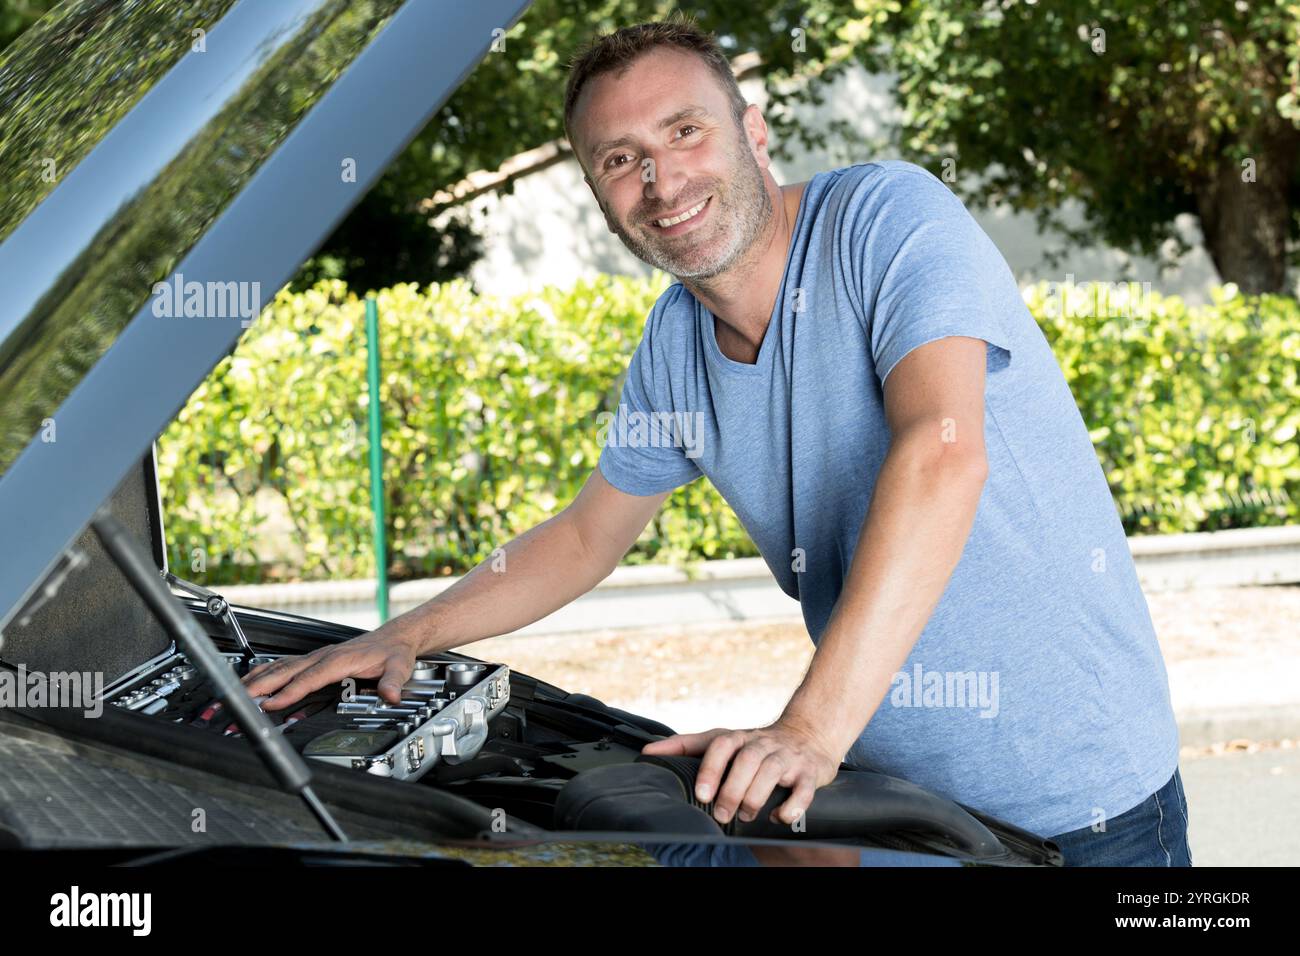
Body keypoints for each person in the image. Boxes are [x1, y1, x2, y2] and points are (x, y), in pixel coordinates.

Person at [244, 15, 1191, 867]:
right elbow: (584, 537)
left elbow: (942, 449)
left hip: (1085, 812)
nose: (661, 181)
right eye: (619, 159)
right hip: (900, 806)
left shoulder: (887, 221)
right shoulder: (675, 346)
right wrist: (404, 635)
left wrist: (809, 731)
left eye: (684, 131)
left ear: (754, 129)